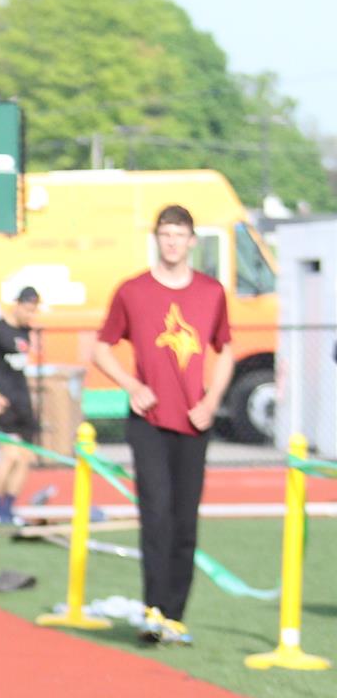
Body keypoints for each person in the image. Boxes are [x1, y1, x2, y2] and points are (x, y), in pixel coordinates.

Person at [86, 205, 233, 647]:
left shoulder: (212, 292)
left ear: (192, 241)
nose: (172, 242)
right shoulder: (133, 291)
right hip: (148, 421)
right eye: (165, 234)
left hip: (194, 420)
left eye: (179, 234)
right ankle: (152, 611)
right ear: (157, 239)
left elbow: (225, 349)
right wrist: (131, 385)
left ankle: (175, 616)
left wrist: (212, 401)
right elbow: (101, 348)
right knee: (156, 514)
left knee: (185, 522)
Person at [0, 287, 44, 526]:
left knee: (25, 457)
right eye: (27, 309)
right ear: (16, 304)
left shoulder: (25, 332)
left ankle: (8, 508)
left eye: (34, 310)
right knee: (10, 454)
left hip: (22, 402)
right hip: (2, 403)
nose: (30, 314)